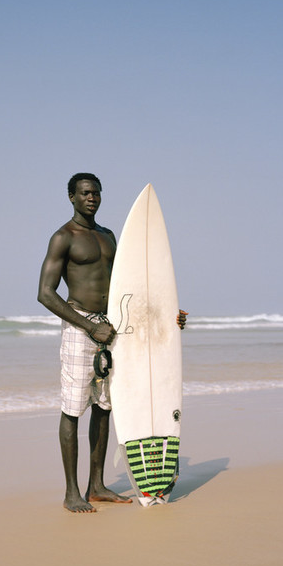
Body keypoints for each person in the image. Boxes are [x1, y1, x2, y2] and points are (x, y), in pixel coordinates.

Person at [38, 173, 187, 513]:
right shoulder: (63, 237)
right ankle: (71, 492)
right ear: (72, 197)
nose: (92, 198)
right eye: (85, 193)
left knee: (105, 407)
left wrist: (167, 314)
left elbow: (131, 288)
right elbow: (45, 294)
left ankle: (97, 485)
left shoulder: (108, 237)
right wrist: (88, 327)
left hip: (112, 327)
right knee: (73, 409)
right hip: (80, 325)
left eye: (97, 193)